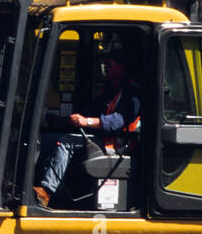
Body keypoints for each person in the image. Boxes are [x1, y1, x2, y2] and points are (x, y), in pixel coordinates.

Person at [33, 47, 141, 208]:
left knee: (66, 143)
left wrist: (87, 122)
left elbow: (118, 121)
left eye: (109, 66)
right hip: (100, 138)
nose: (106, 70)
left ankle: (47, 191)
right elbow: (88, 112)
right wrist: (63, 121)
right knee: (47, 140)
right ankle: (38, 187)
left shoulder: (132, 92)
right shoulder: (109, 90)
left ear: (121, 67)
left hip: (117, 144)